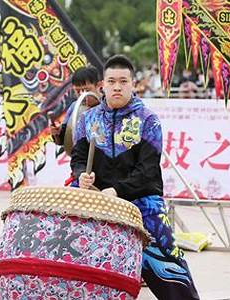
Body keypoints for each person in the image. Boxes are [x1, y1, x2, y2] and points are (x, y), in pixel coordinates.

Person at [71, 55, 200, 300]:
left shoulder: (148, 120)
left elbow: (148, 170)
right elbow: (77, 159)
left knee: (168, 267)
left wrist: (117, 191)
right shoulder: (88, 120)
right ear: (102, 85)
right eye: (111, 81)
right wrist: (81, 176)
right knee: (92, 271)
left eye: (123, 81)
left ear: (133, 84)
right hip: (99, 206)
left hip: (144, 205)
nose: (117, 87)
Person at [50, 65, 102, 145]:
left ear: (99, 85)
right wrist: (57, 133)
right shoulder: (74, 107)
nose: (82, 94)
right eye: (78, 91)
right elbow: (63, 140)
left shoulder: (108, 105)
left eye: (86, 90)